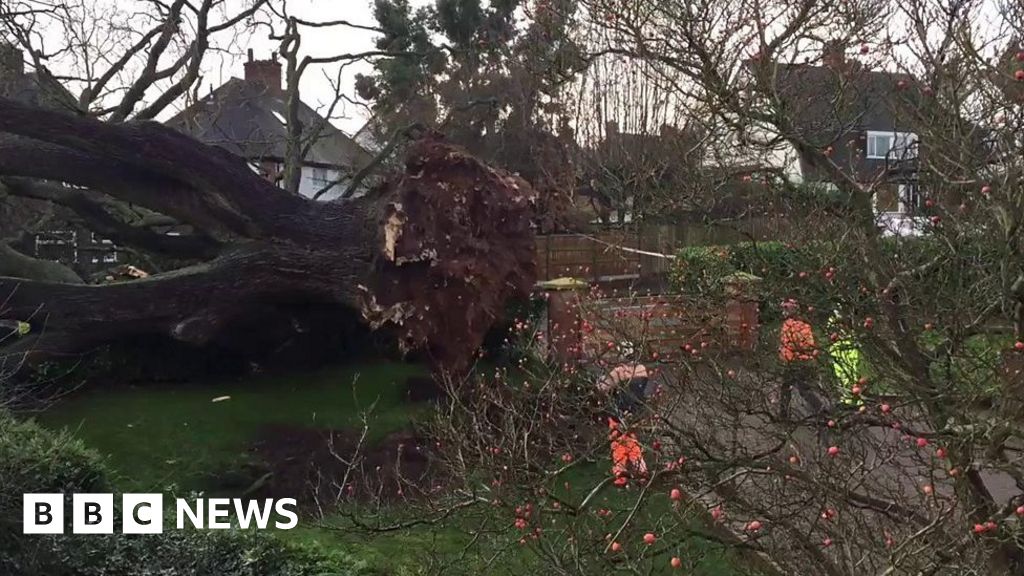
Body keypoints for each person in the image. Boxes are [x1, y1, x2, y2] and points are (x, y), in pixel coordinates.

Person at [597, 343, 649, 478]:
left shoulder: (620, 371)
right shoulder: (642, 369)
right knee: (631, 438)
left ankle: (621, 470)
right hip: (636, 410)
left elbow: (602, 387)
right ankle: (639, 468)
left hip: (619, 412)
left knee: (618, 440)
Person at [778, 299, 824, 419]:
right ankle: (783, 414)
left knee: (802, 389)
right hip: (796, 360)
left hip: (795, 361)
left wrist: (788, 351)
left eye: (786, 309)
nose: (784, 312)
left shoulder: (793, 325)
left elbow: (800, 345)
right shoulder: (800, 325)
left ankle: (821, 410)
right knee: (788, 387)